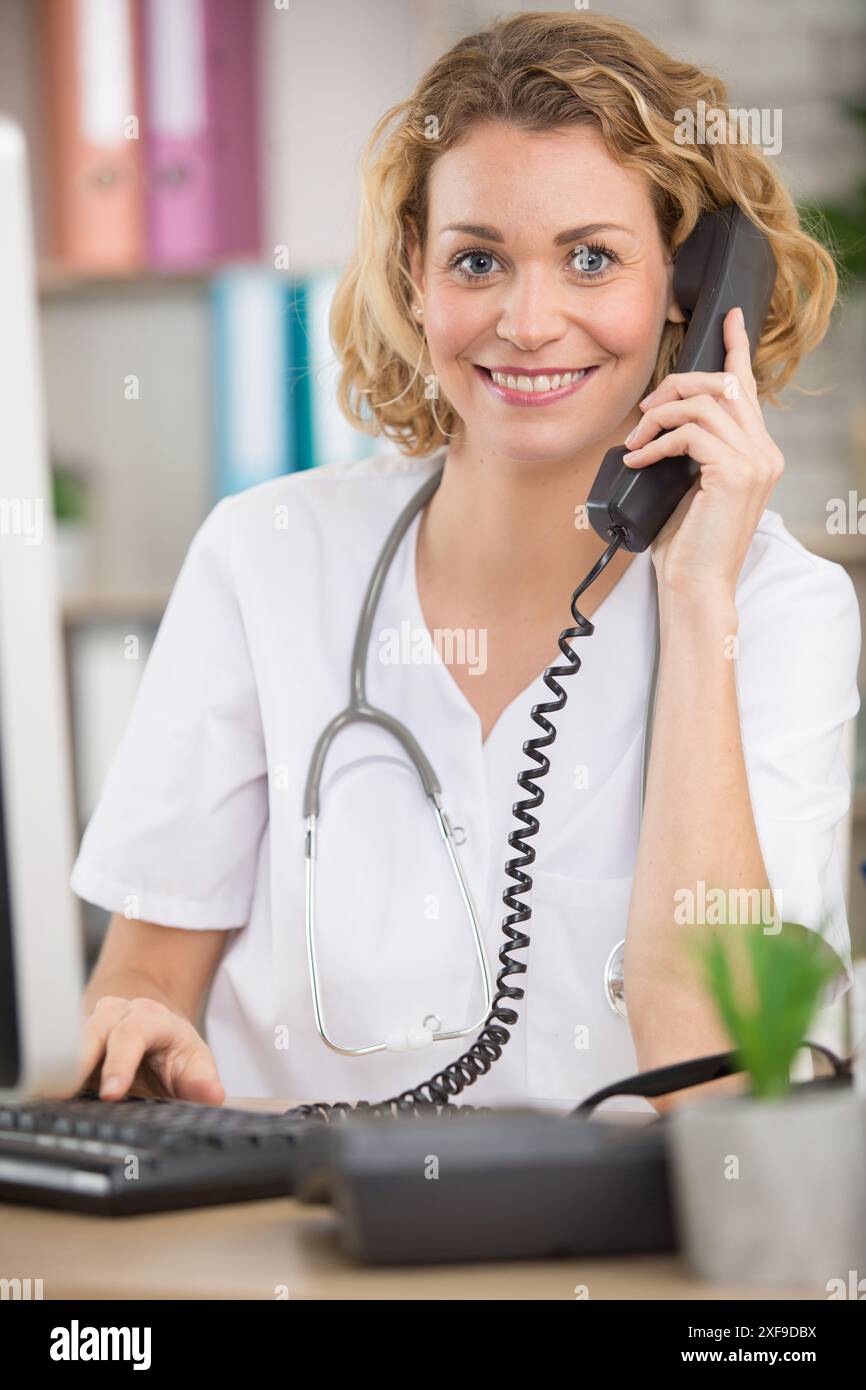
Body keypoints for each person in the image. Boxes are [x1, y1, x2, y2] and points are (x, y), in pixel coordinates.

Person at [69, 11, 860, 1116]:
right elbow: (144, 977)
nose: (526, 321)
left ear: (690, 292)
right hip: (295, 1262)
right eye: (477, 259)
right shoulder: (266, 560)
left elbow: (714, 1092)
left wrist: (691, 601)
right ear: (414, 271)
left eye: (591, 258)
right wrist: (138, 1029)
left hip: (631, 1275)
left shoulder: (778, 611)